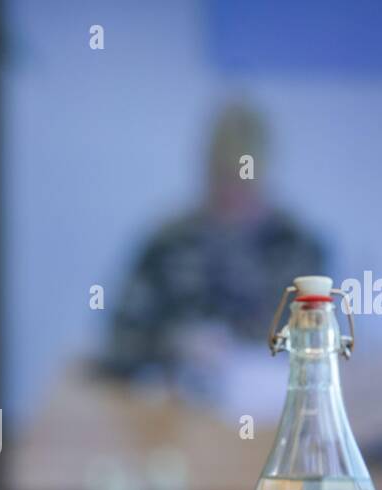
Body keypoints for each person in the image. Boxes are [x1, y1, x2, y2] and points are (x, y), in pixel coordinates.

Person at [102, 102, 324, 379]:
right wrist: (174, 344)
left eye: (244, 184)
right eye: (222, 179)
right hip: (173, 414)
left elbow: (329, 349)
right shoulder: (166, 245)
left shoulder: (299, 249)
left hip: (275, 412)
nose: (232, 195)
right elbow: (116, 344)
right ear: (206, 173)